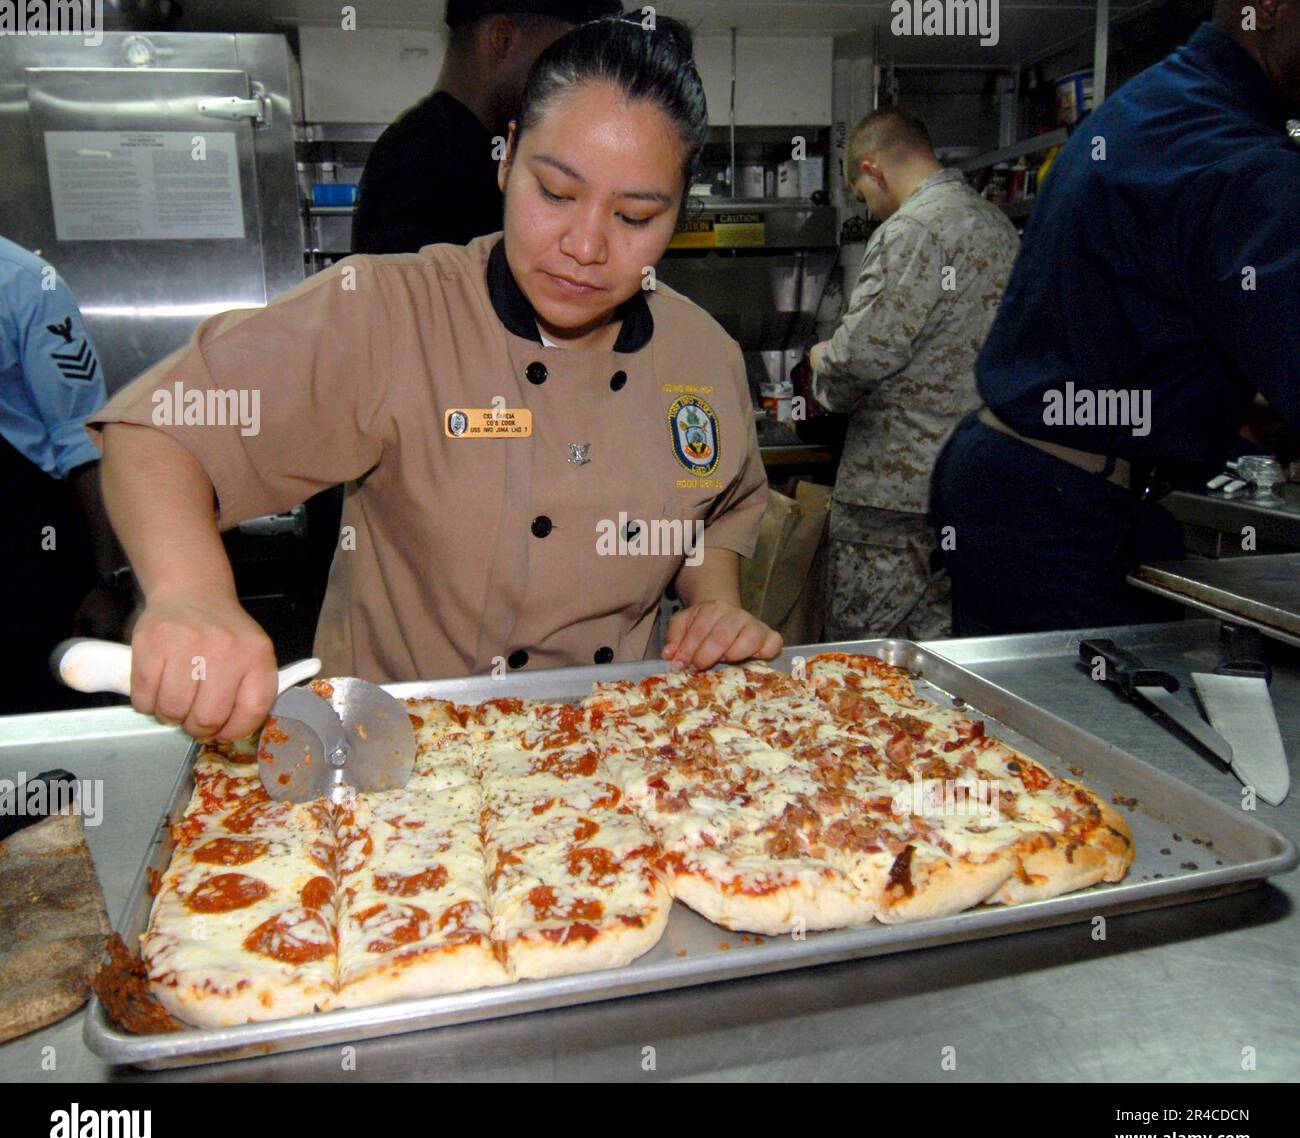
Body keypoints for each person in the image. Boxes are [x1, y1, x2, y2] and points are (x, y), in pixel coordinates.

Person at [91, 16, 780, 744]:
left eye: (636, 214)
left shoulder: (701, 355)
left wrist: (714, 605)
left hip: (608, 756)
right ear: (507, 159)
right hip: (395, 762)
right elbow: (159, 430)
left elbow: (717, 506)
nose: (585, 246)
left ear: (679, 213)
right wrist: (190, 594)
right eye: (554, 192)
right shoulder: (391, 313)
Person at [931, 0, 1300, 636]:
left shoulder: (1153, 105)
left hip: (1013, 476)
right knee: (1079, 728)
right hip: (1067, 507)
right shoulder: (1231, 151)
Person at [807, 111, 1019, 641]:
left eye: (861, 193)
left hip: (892, 498)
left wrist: (821, 363)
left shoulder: (913, 229)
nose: (868, 206)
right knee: (945, 658)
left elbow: (861, 357)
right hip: (970, 482)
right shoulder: (997, 225)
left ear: (874, 171)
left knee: (862, 662)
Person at [352, 0, 621, 254]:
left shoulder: (489, 147)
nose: (570, 77)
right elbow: (401, 295)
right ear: (503, 40)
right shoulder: (420, 155)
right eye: (560, 57)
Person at [0, 236, 129, 713]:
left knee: (39, 733)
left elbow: (83, 440)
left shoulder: (23, 282)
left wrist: (110, 580)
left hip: (26, 550)